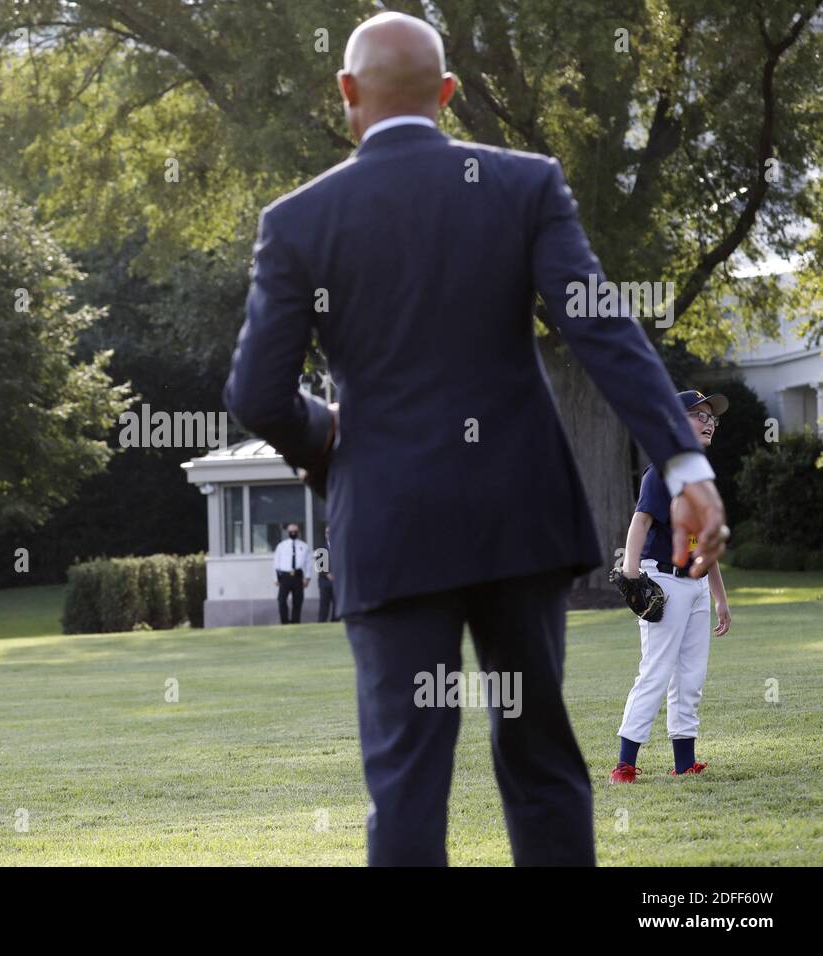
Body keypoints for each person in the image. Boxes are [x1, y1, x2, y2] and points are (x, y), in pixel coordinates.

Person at [221, 12, 728, 866]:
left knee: (406, 784)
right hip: (517, 515)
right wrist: (683, 462)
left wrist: (337, 445)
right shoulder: (525, 185)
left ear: (346, 92)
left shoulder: (301, 219)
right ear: (449, 94)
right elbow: (603, 329)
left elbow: (256, 396)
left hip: (388, 520)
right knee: (540, 765)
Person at [611, 391, 732, 783]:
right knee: (656, 671)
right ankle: (625, 764)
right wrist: (631, 574)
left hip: (695, 586)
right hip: (662, 579)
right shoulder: (662, 471)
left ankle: (684, 763)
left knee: (691, 676)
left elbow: (706, 544)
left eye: (711, 416)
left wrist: (720, 599)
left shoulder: (700, 479)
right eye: (698, 414)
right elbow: (640, 522)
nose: (709, 421)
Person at [273, 522, 312, 624]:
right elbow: (276, 563)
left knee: (297, 601)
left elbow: (308, 563)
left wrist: (307, 578)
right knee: (281, 600)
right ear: (287, 532)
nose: (293, 533)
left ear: (298, 532)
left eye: (295, 531)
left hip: (298, 576)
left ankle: (295, 622)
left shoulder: (304, 546)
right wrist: (276, 578)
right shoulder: (281, 546)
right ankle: (284, 622)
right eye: (291, 531)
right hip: (285, 576)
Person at [318, 528, 339, 622]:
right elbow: (319, 566)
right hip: (325, 582)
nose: (329, 534)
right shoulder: (321, 548)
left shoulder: (341, 547)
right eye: (327, 532)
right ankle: (321, 624)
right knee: (324, 605)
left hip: (338, 582)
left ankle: (335, 623)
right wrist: (328, 574)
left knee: (337, 605)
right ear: (325, 534)